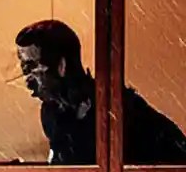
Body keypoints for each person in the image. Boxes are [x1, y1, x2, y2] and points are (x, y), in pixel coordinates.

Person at [14, 19, 186, 164]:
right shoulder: (53, 112)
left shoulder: (115, 107)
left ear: (61, 65)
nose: (27, 79)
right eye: (24, 68)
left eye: (31, 67)